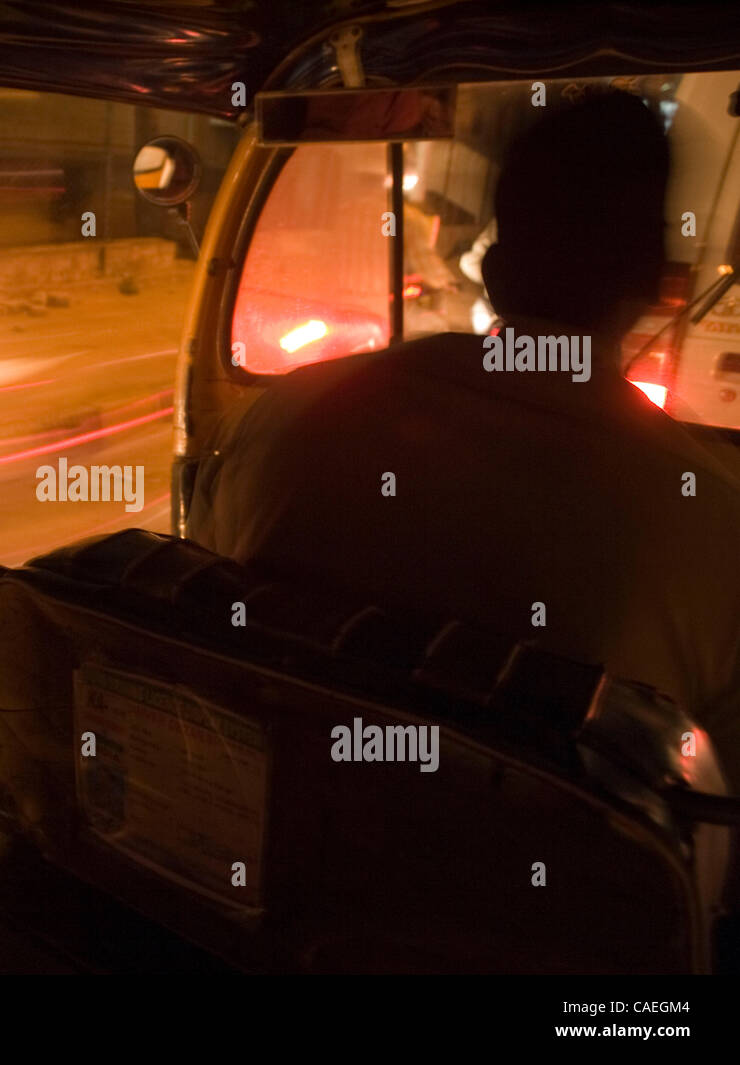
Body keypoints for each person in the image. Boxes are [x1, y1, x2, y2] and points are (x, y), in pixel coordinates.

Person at [188, 92, 740, 817]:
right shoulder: (707, 527)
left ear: (495, 271)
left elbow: (207, 623)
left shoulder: (290, 414)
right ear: (653, 284)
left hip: (272, 861)